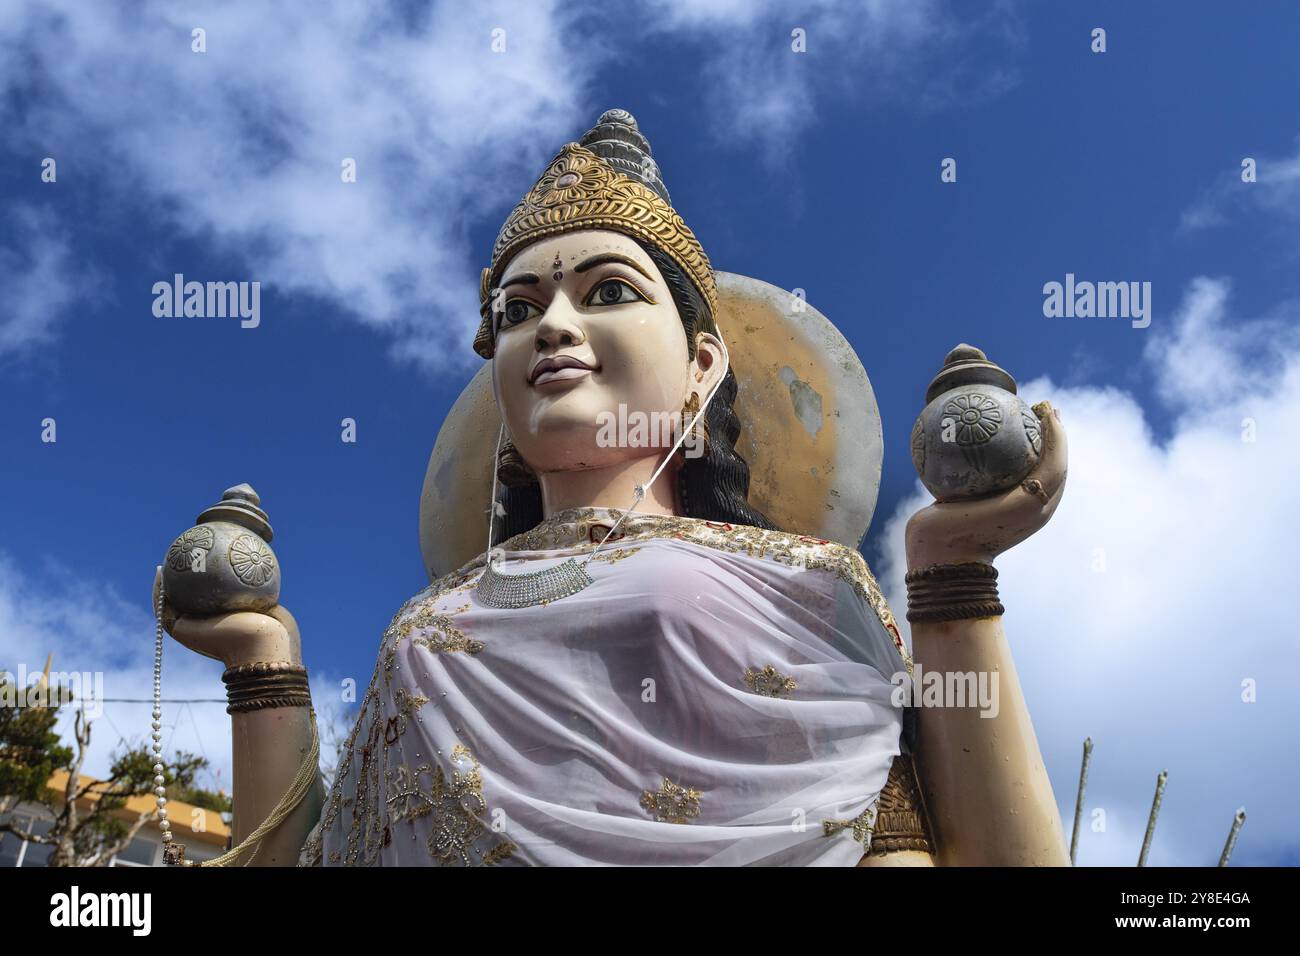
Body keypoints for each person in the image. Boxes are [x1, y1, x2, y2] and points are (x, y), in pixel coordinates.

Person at [161, 109, 1069, 866]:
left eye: (607, 292)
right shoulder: (429, 627)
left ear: (700, 364)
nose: (551, 326)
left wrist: (952, 579)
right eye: (517, 312)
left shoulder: (808, 585)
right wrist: (263, 667)